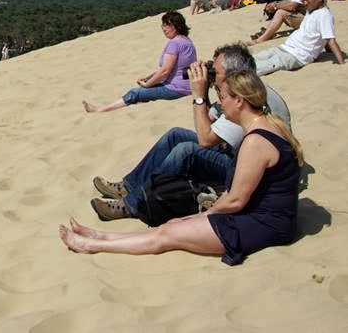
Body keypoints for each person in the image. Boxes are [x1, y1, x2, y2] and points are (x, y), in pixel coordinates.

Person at [60, 71, 302, 266]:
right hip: (264, 216)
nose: (219, 103)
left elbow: (236, 201)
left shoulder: (255, 141)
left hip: (263, 225)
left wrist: (203, 215)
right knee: (172, 226)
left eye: (223, 96)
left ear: (240, 100)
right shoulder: (268, 125)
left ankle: (92, 245)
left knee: (168, 235)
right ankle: (101, 236)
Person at [90, 43, 291, 221]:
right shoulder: (245, 89)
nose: (211, 72)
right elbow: (211, 121)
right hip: (239, 153)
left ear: (232, 74)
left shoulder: (242, 100)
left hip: (250, 172)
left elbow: (205, 139)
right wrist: (207, 91)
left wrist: (198, 94)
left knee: (186, 150)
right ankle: (128, 186)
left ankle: (134, 204)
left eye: (215, 70)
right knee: (175, 134)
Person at [83, 11, 197, 113]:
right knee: (144, 90)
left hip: (177, 88)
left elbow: (165, 71)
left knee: (135, 92)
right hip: (187, 86)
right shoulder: (186, 41)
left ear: (176, 26)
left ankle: (100, 110)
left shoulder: (174, 43)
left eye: (167, 25)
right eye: (163, 25)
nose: (164, 28)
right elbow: (168, 69)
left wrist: (148, 84)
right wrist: (148, 77)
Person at [252, 0, 344, 76]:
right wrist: (327, 50)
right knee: (250, 59)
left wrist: (341, 63)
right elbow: (323, 37)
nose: (305, 3)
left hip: (296, 56)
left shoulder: (324, 15)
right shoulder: (311, 10)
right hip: (284, 48)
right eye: (303, 0)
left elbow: (330, 40)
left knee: (257, 68)